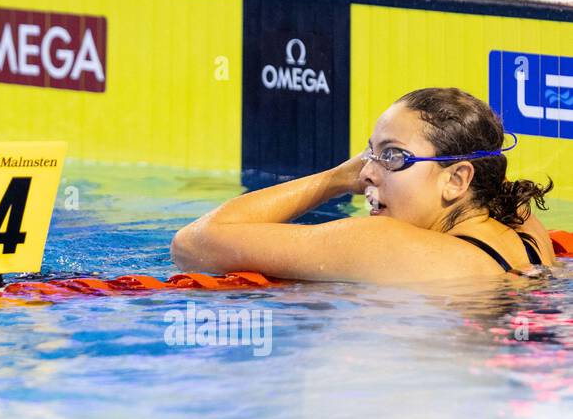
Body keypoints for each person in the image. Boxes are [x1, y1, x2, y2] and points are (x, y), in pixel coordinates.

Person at [171, 87, 557, 283]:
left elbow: (193, 244)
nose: (367, 173)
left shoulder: (383, 242)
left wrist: (333, 179)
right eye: (368, 156)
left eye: (393, 157)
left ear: (457, 180)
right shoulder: (524, 226)